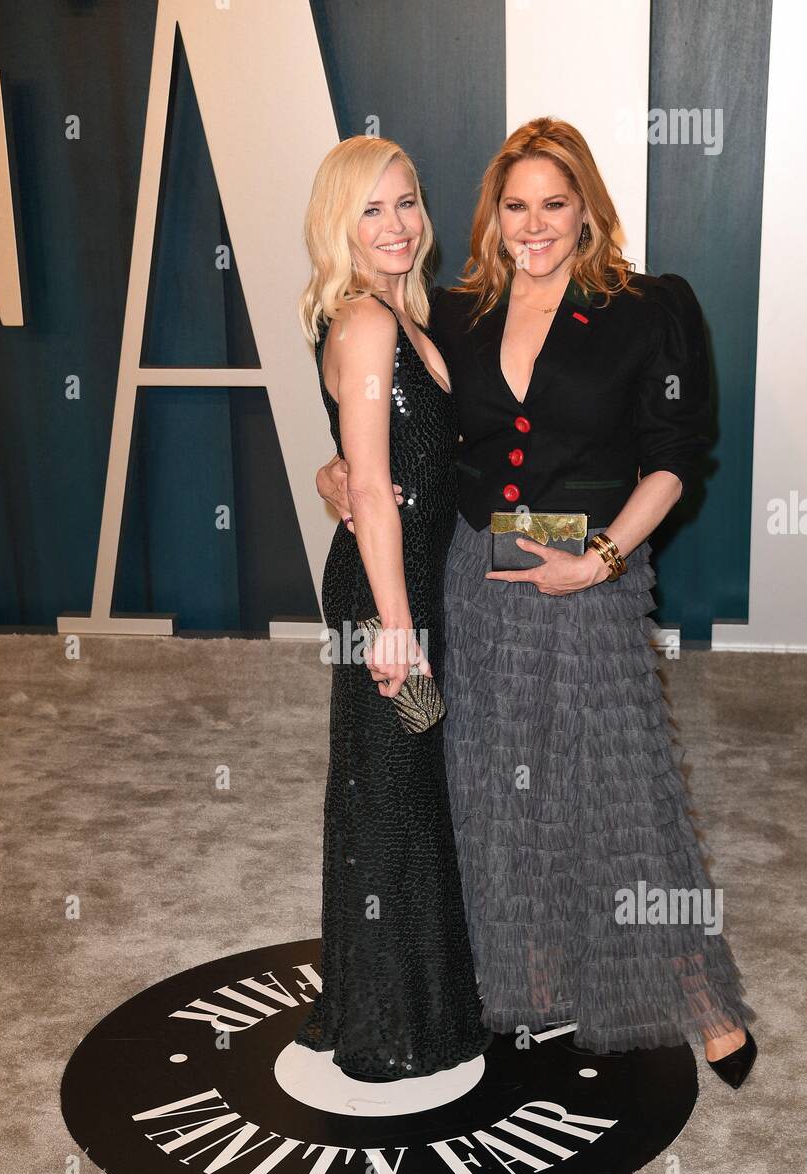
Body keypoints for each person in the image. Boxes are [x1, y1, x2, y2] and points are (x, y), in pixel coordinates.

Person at [316, 117, 757, 1089]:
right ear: (490, 216)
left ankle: (695, 992)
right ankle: (527, 969)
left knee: (619, 782)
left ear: (585, 206)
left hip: (579, 555)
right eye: (514, 205)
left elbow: (676, 457)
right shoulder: (458, 308)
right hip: (473, 563)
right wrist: (335, 469)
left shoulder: (647, 307)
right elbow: (404, 424)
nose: (533, 224)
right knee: (488, 786)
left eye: (552, 203)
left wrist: (599, 555)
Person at [294, 135, 491, 1082]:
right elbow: (371, 490)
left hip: (414, 583)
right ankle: (388, 1022)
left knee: (411, 792)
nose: (397, 224)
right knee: (393, 798)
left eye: (407, 202)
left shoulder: (407, 319)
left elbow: (390, 471)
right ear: (340, 223)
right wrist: (395, 625)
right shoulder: (367, 326)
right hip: (386, 596)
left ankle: (419, 998)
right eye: (371, 209)